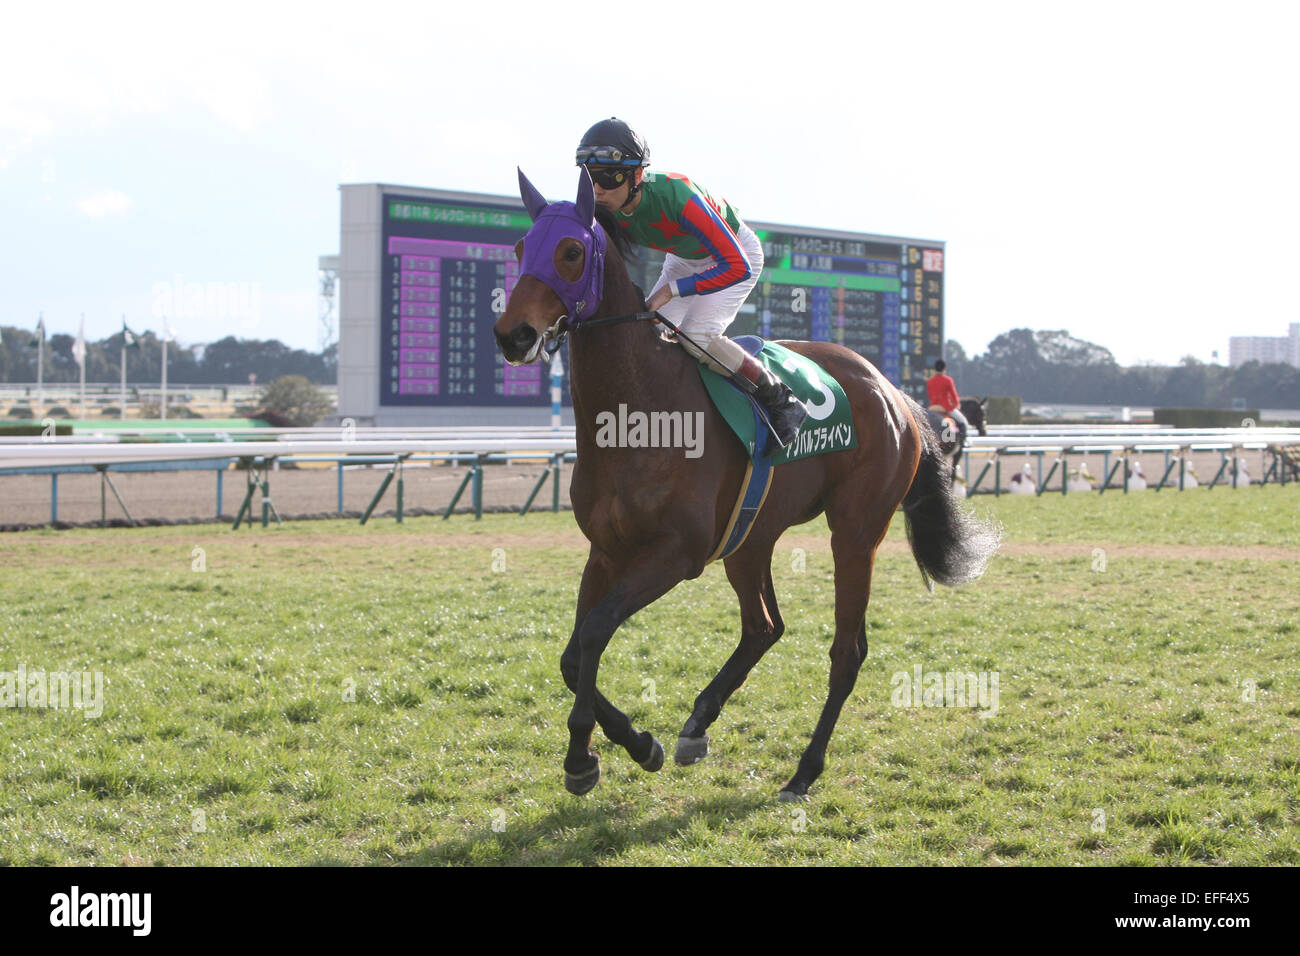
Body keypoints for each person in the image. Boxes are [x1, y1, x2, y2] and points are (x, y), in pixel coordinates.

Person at [574, 117, 807, 446]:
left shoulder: (677, 195)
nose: (598, 189)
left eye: (608, 178)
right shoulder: (605, 204)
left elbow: (735, 266)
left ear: (637, 175)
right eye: (589, 178)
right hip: (684, 257)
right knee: (646, 332)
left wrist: (672, 290)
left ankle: (780, 398)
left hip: (736, 255)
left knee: (696, 334)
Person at [926, 358, 969, 445]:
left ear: (934, 369)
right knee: (963, 421)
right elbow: (954, 395)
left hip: (932, 408)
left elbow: (930, 395)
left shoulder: (930, 381)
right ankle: (963, 442)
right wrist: (957, 404)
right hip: (945, 407)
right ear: (944, 369)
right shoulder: (948, 380)